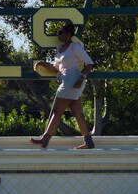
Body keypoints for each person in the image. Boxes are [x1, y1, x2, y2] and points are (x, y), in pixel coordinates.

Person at [30, 20, 96, 150]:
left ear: (69, 34)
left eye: (61, 32)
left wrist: (81, 78)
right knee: (77, 113)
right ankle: (89, 142)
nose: (58, 35)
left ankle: (45, 140)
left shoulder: (75, 47)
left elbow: (89, 63)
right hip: (66, 80)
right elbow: (56, 69)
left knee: (57, 111)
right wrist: (43, 64)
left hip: (72, 80)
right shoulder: (59, 48)